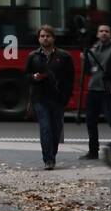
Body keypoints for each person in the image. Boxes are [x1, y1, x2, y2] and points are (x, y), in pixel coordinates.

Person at [24, 25, 74, 170]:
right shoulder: (33, 56)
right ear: (38, 38)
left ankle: (52, 153)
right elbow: (25, 76)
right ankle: (48, 159)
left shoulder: (64, 56)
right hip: (40, 98)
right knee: (45, 128)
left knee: (56, 129)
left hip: (58, 98)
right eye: (42, 36)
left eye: (48, 36)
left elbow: (70, 78)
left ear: (53, 38)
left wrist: (66, 96)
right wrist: (33, 77)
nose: (45, 38)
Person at [83, 24, 111, 163]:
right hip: (93, 89)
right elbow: (88, 71)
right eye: (101, 31)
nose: (103, 33)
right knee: (90, 121)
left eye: (106, 31)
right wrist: (85, 58)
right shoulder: (93, 49)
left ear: (110, 34)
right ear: (97, 34)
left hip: (107, 91)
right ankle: (93, 151)